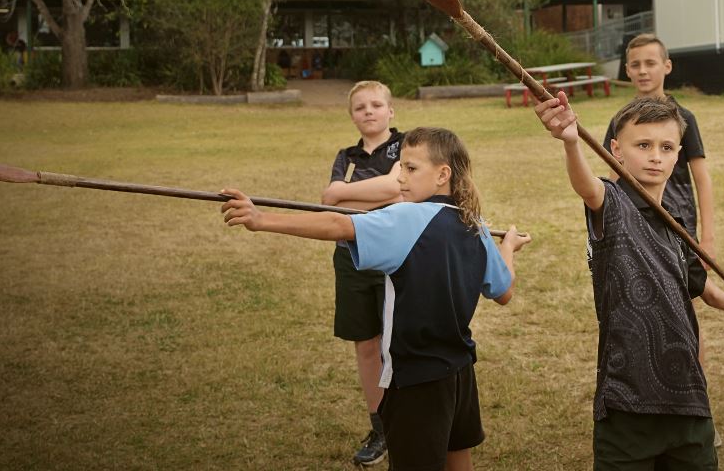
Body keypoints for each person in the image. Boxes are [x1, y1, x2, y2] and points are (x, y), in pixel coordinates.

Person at [222, 126, 530, 471]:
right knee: (458, 462)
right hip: (459, 374)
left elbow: (340, 226)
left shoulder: (405, 217)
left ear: (443, 174)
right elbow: (503, 291)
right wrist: (507, 248)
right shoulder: (474, 223)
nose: (400, 177)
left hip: (415, 379)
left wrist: (262, 219)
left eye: (411, 169)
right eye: (400, 166)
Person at [535, 92, 724, 470]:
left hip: (688, 400)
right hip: (628, 401)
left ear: (678, 154)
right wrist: (570, 142)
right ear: (616, 149)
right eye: (643, 145)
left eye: (666, 146)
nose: (656, 156)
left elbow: (700, 287)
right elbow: (586, 186)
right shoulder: (612, 204)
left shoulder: (676, 222)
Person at [320, 80, 406, 467]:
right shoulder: (347, 154)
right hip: (351, 256)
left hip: (396, 255)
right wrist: (378, 192)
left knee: (398, 343)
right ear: (352, 116)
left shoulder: (407, 146)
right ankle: (381, 426)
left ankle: (410, 422)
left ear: (391, 111)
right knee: (366, 344)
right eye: (360, 107)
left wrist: (348, 193)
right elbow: (328, 200)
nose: (368, 111)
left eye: (376, 105)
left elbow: (400, 189)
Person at [603, 34, 715, 256]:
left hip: (679, 223)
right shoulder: (621, 121)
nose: (643, 71)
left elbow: (702, 179)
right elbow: (614, 176)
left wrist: (708, 238)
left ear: (667, 66)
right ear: (627, 70)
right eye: (636, 65)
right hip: (634, 219)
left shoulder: (684, 119)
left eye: (650, 63)